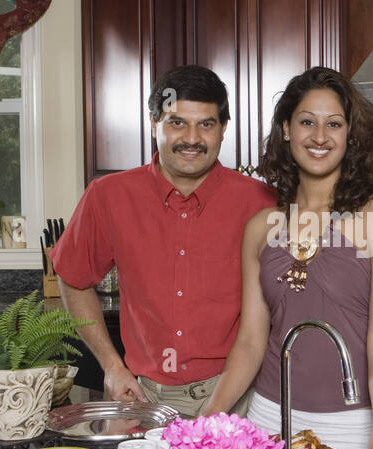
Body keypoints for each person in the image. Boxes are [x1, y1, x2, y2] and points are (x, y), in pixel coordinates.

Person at [203, 68, 373, 449]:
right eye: (307, 122)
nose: (320, 136)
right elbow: (250, 339)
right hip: (267, 419)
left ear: (349, 135)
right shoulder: (261, 228)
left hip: (350, 428)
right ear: (286, 129)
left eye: (333, 123)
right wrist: (212, 412)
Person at [51, 65, 276, 417]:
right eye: (177, 123)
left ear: (223, 130)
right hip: (143, 399)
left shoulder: (261, 202)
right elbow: (73, 279)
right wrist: (112, 365)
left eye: (206, 124)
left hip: (240, 398)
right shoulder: (108, 196)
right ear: (154, 123)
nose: (192, 138)